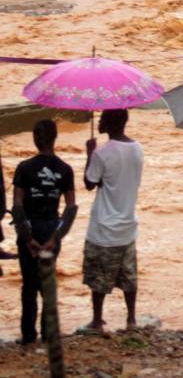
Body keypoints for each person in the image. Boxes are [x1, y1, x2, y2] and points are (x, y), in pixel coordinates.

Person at [12, 120, 78, 345]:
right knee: (47, 282)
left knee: (29, 284)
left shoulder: (24, 168)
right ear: (55, 138)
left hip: (28, 226)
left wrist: (27, 238)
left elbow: (18, 205)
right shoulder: (65, 169)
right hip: (52, 227)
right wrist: (55, 238)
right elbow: (70, 207)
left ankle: (28, 335)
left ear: (35, 138)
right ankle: (49, 333)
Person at [82, 109, 145, 335]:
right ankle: (131, 319)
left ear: (109, 122)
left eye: (102, 118)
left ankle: (98, 320)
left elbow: (90, 183)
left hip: (104, 226)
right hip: (127, 224)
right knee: (129, 277)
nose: (98, 121)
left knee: (98, 278)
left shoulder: (102, 153)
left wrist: (90, 153)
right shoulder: (138, 149)